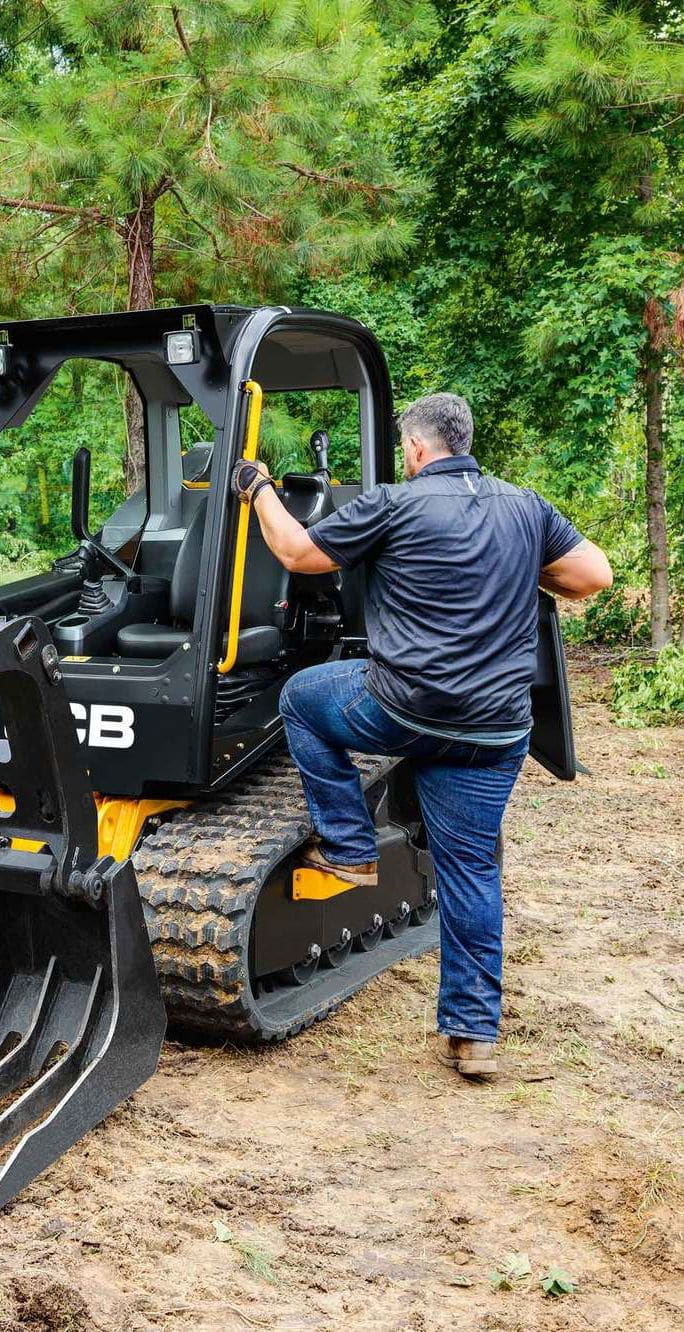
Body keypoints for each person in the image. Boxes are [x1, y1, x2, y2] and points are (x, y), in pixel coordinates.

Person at [233, 392, 612, 1080]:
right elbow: (593, 575)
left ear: (415, 449)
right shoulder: (524, 506)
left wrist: (257, 488)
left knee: (301, 698)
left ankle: (349, 847)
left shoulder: (395, 504)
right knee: (471, 872)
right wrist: (523, 563)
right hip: (496, 730)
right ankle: (473, 1034)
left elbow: (295, 551)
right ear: (464, 442)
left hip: (405, 711)